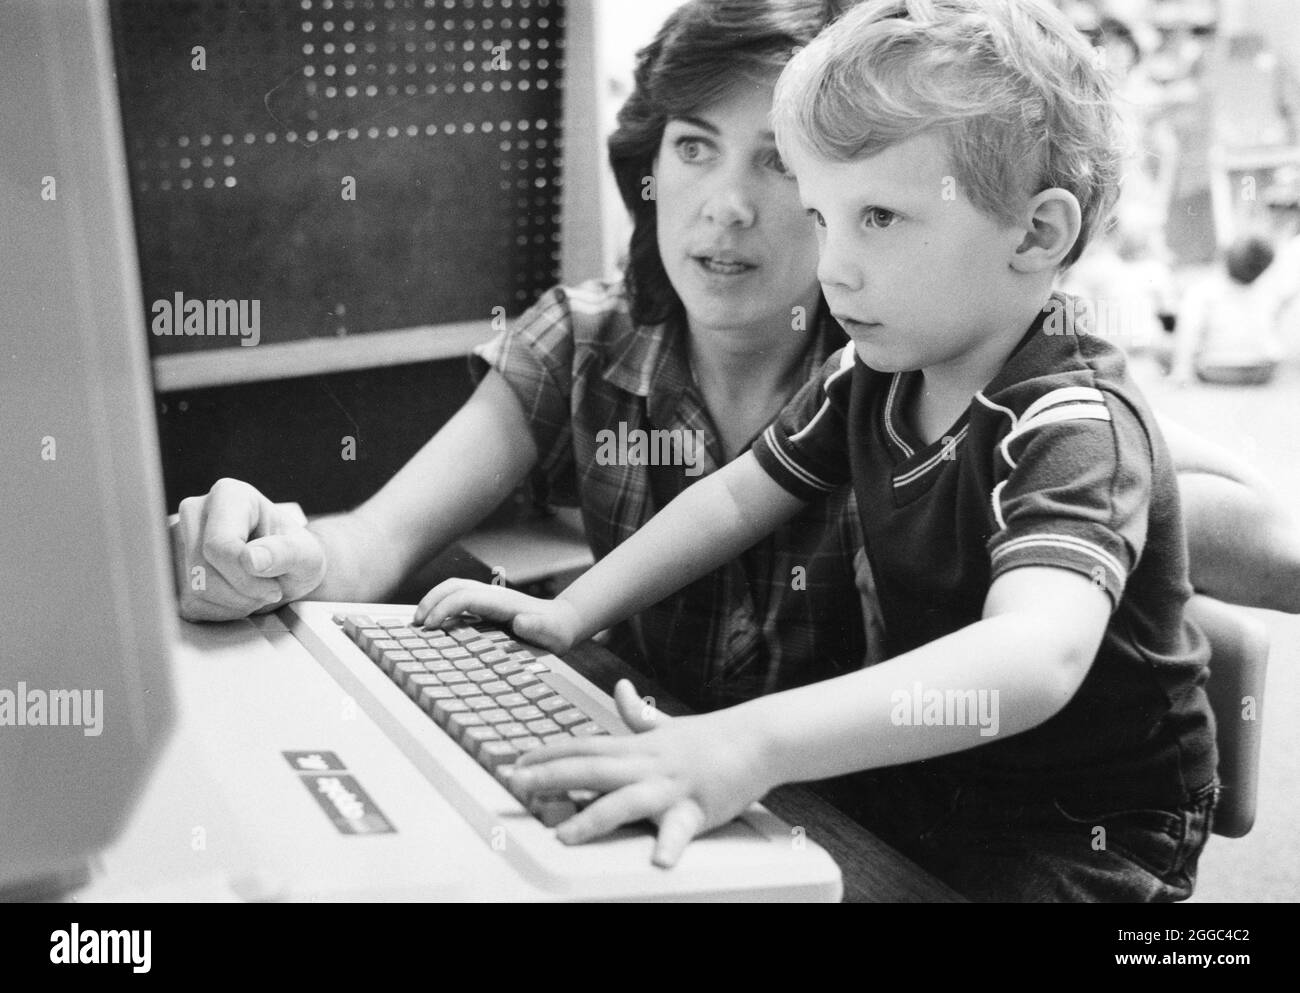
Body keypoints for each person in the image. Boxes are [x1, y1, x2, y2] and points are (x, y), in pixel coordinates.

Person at [171, 6, 1298, 716]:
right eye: (693, 149)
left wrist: (1134, 489)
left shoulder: (933, 349)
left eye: (775, 166)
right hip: (675, 759)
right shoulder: (587, 335)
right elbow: (379, 537)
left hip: (875, 811)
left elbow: (1166, 489)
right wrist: (275, 554)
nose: (721, 209)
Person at [414, 0, 1230, 902]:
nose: (834, 266)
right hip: (939, 773)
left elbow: (1035, 656)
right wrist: (572, 613)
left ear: (1037, 233)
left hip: (1080, 827)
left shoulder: (1070, 423)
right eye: (823, 215)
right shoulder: (874, 372)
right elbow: (734, 499)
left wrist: (750, 738)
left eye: (878, 216)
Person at [1172, 235, 1281, 386]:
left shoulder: (1203, 291)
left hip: (1218, 368)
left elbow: (1189, 331)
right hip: (1263, 369)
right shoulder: (1267, 289)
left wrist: (1181, 370)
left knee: (1163, 348)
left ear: (1223, 258)